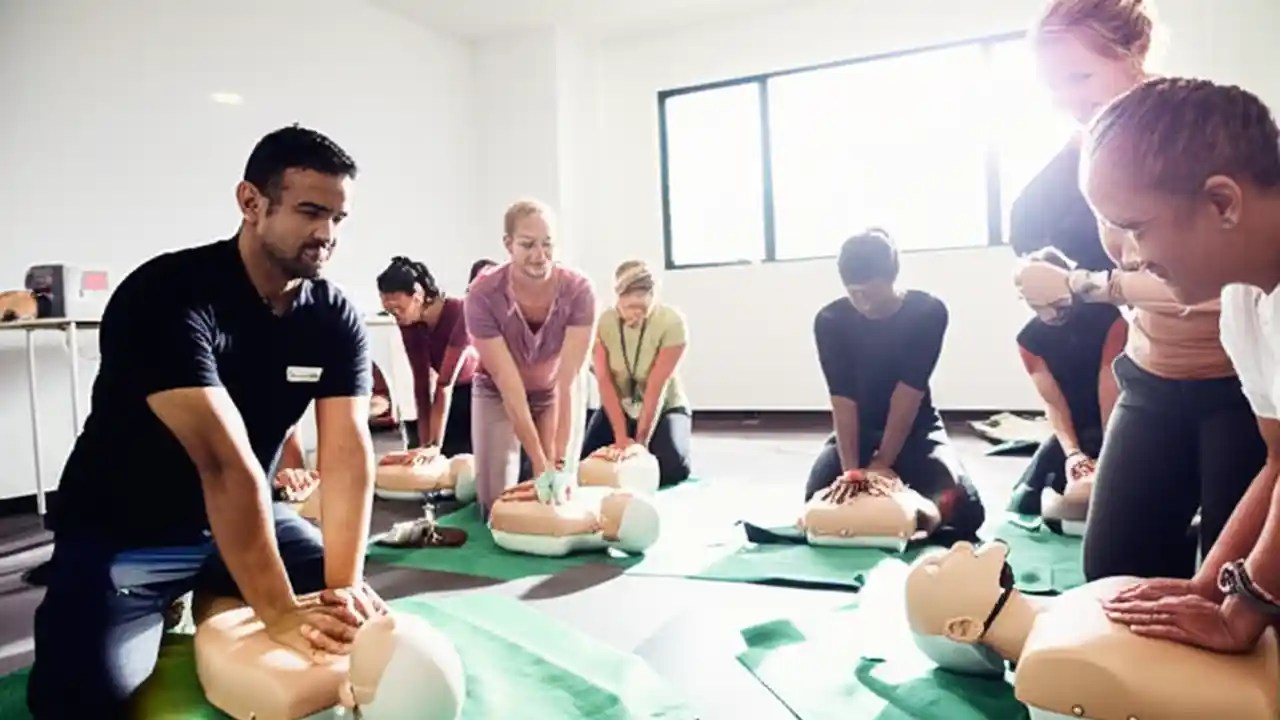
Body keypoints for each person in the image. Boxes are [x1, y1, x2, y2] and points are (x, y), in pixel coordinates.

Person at [27, 125, 387, 717]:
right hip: (127, 531)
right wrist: (278, 614)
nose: (325, 234)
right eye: (309, 211)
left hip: (251, 523)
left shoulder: (334, 317)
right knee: (80, 698)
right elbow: (224, 463)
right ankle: (167, 597)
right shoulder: (166, 295)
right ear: (251, 203)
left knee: (355, 611)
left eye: (337, 219)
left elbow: (348, 454)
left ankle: (219, 588)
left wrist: (341, 588)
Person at [1013, 0, 1265, 581]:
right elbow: (1137, 275)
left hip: (1238, 388)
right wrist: (1051, 286)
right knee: (1114, 574)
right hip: (1150, 380)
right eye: (1053, 86)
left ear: (1134, 55)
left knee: (1234, 587)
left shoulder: (1202, 130)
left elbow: (1215, 283)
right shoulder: (1089, 153)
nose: (1069, 99)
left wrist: (1083, 286)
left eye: (1080, 76)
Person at [1077, 78, 1280, 653]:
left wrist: (1246, 609)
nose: (1132, 258)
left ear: (1222, 202)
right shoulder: (1243, 297)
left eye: (1137, 228)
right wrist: (1208, 588)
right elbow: (1279, 459)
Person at [807, 229, 985, 540]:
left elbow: (909, 392)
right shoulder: (831, 320)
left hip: (917, 429)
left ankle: (916, 516)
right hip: (858, 432)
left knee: (965, 507)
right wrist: (852, 472)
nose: (862, 302)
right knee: (819, 497)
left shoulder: (927, 312)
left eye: (870, 292)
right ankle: (888, 511)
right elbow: (842, 398)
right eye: (854, 292)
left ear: (891, 278)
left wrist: (881, 465)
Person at [1005, 126, 1127, 518]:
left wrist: (1109, 454)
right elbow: (1053, 405)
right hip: (1073, 427)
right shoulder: (1030, 338)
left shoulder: (1106, 318)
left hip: (1118, 421)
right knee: (1028, 501)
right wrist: (1074, 455)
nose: (1044, 310)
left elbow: (1110, 394)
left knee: (1106, 494)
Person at [464, 199, 596, 517]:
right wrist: (539, 461)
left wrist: (558, 463)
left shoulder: (579, 291)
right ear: (508, 244)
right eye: (528, 245)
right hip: (498, 393)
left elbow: (569, 382)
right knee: (494, 506)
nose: (540, 256)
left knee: (557, 493)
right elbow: (509, 386)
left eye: (548, 244)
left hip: (552, 391)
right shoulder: (482, 295)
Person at [581, 260, 693, 486]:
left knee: (671, 467)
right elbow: (604, 380)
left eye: (642, 308)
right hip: (619, 406)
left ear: (653, 297)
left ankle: (665, 442)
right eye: (629, 307)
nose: (635, 315)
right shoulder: (604, 323)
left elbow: (656, 387)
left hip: (663, 407)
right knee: (587, 461)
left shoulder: (672, 322)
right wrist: (621, 437)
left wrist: (639, 444)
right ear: (618, 299)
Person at [377, 256, 478, 456]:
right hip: (449, 393)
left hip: (479, 390)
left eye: (399, 308)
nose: (396, 315)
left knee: (462, 459)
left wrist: (434, 448)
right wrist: (424, 446)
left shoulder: (459, 312)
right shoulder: (409, 323)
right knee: (427, 456)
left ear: (418, 296)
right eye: (389, 311)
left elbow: (444, 384)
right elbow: (422, 384)